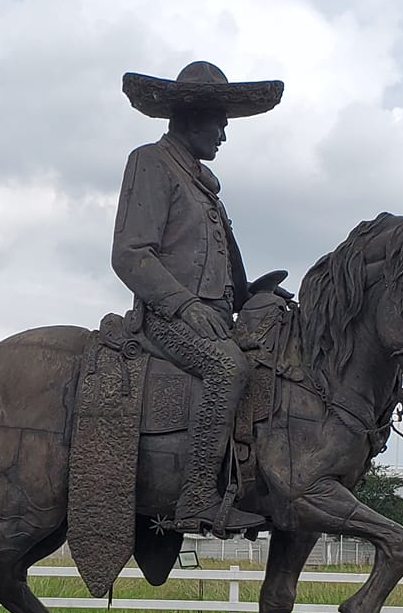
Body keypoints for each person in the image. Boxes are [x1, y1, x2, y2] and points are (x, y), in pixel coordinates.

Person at [113, 61, 285, 532]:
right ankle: (195, 502)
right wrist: (185, 304)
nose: (224, 137)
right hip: (167, 316)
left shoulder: (206, 188)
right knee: (228, 368)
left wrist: (255, 293)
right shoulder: (150, 162)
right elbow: (130, 254)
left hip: (214, 318)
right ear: (192, 117)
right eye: (219, 124)